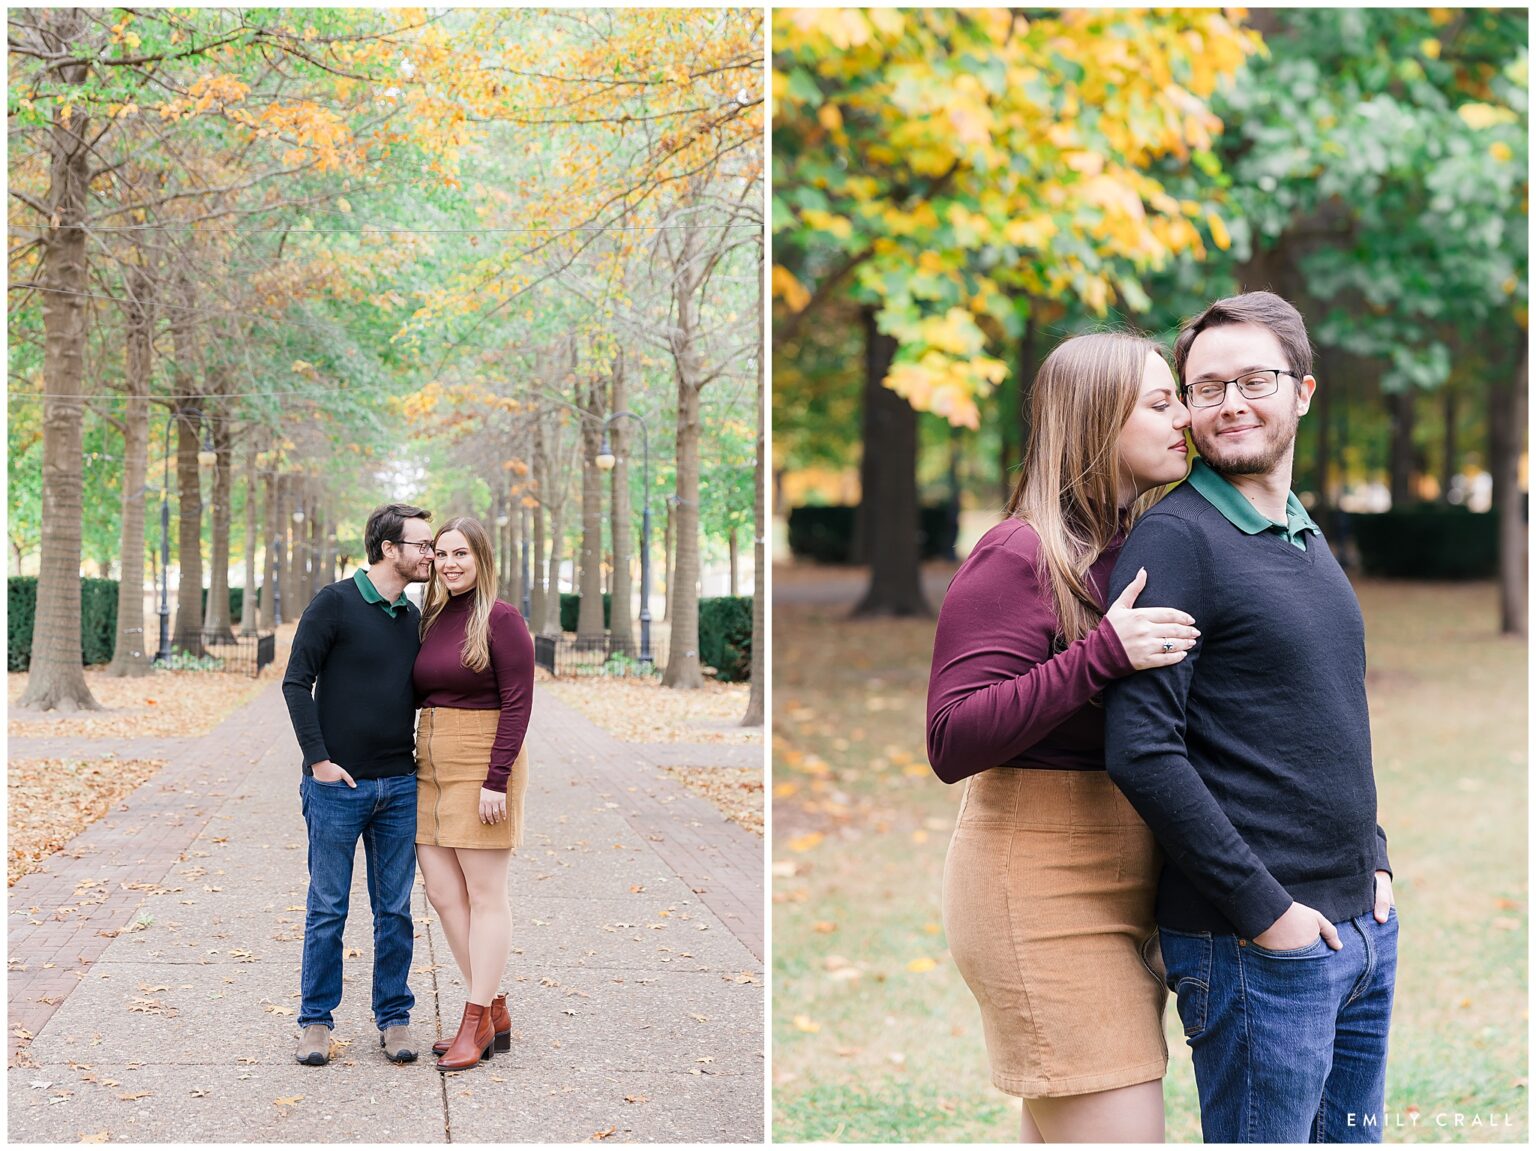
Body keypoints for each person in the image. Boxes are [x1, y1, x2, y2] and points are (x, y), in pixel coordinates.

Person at [1104, 291, 1397, 1144]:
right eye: (1206, 388)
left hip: (1360, 929)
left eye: (1254, 381)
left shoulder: (1300, 532)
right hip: (1256, 947)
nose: (1231, 403)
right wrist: (1267, 916)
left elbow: (1330, 714)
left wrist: (1373, 862)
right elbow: (1144, 751)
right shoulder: (1179, 540)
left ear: (1303, 391)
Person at [926, 331, 1199, 1142]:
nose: (1184, 417)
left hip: (1130, 878)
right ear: (1095, 421)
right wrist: (1101, 655)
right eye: (1160, 402)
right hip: (1040, 886)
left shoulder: (1135, 548)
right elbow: (952, 734)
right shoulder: (1019, 552)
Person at [282, 502, 435, 1067]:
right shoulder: (335, 603)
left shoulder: (415, 618)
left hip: (398, 785)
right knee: (328, 908)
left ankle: (394, 1016)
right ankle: (315, 1021)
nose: (430, 554)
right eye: (420, 544)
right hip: (335, 788)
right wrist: (319, 761)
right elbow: (296, 682)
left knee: (393, 910)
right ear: (388, 549)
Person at [412, 515, 535, 1073]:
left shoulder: (503, 619)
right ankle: (493, 1007)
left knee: (485, 895)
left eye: (461, 554)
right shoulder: (433, 615)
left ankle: (474, 1018)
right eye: (441, 554)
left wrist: (497, 780)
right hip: (432, 764)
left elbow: (518, 704)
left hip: (483, 761)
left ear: (482, 558)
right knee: (442, 892)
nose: (450, 564)